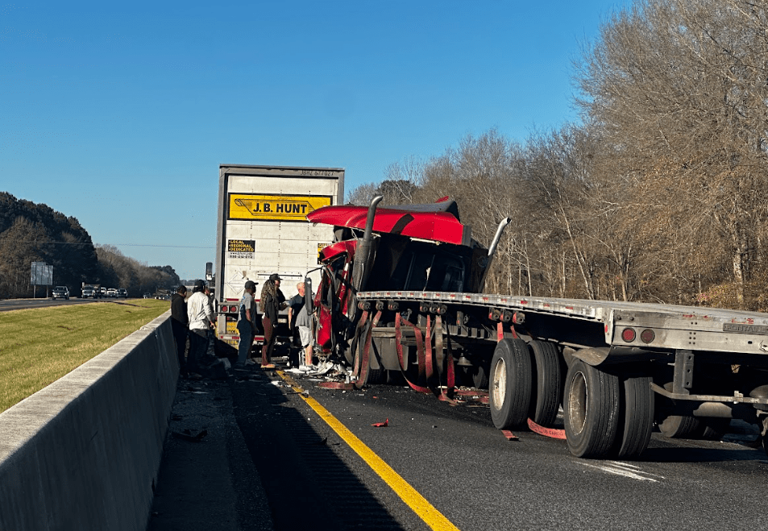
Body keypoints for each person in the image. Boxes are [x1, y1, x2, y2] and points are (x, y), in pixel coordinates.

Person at [187, 279, 214, 377]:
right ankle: (199, 370)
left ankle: (191, 369)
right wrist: (211, 321)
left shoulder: (190, 298)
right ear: (203, 288)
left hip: (192, 326)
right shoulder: (204, 298)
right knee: (201, 350)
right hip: (201, 326)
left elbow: (189, 313)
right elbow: (208, 312)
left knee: (192, 349)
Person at [259, 273, 286, 368]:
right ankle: (264, 362)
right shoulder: (270, 296)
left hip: (270, 319)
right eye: (278, 281)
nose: (279, 283)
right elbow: (271, 310)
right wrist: (274, 322)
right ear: (274, 282)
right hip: (269, 319)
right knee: (268, 340)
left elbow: (282, 298)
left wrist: (277, 289)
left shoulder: (274, 294)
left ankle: (268, 360)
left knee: (271, 340)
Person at [288, 282, 315, 368]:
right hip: (299, 323)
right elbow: (290, 311)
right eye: (304, 287)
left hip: (306, 322)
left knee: (306, 342)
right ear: (299, 289)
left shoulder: (309, 298)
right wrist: (290, 323)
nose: (306, 288)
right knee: (301, 343)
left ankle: (304, 362)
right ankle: (297, 362)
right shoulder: (295, 299)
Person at [235, 280, 258, 369]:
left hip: (243, 323)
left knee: (246, 342)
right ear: (251, 288)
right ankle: (241, 361)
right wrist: (251, 324)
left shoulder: (245, 296)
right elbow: (247, 311)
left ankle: (247, 359)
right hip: (246, 324)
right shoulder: (249, 298)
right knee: (245, 343)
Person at [170, 285, 188, 376]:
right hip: (181, 327)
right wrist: (186, 324)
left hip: (175, 326)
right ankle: (182, 366)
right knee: (181, 348)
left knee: (179, 347)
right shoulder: (180, 300)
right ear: (184, 292)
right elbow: (182, 315)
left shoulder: (174, 299)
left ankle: (182, 364)